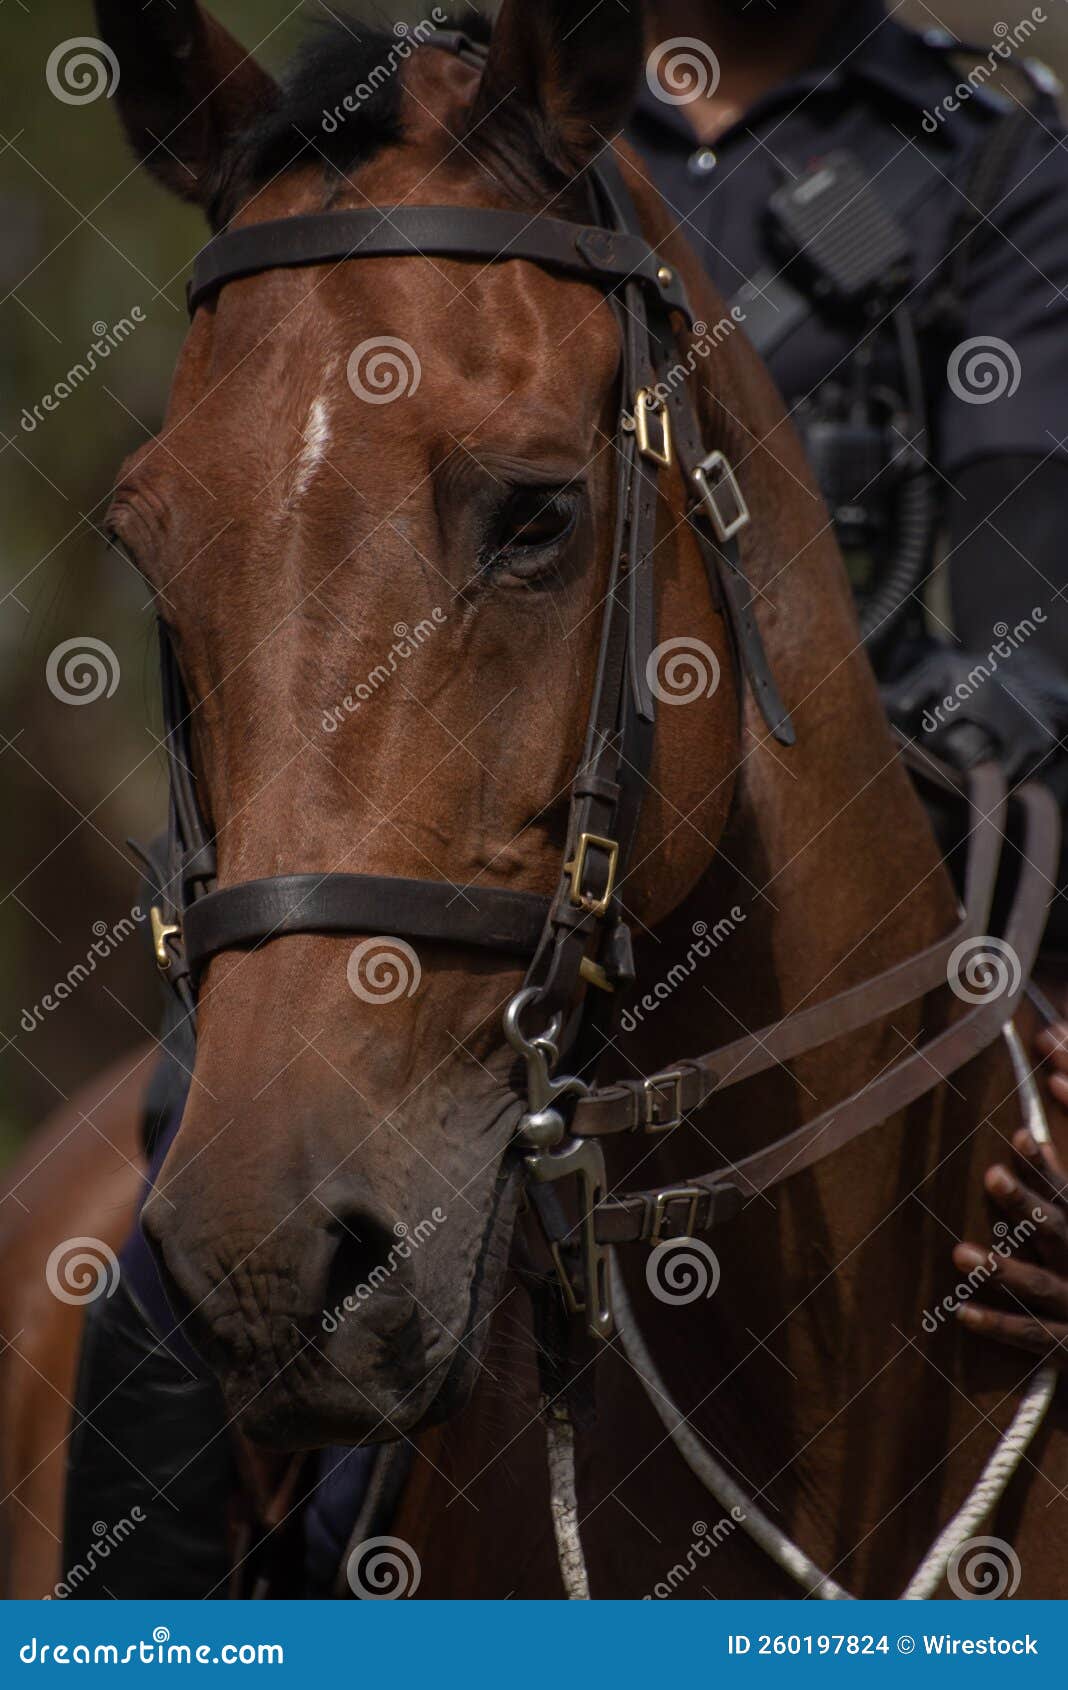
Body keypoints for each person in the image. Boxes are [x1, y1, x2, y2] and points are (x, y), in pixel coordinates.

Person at [633, 0, 1068, 1358]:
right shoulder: (463, 118)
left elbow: (1033, 651)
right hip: (501, 839)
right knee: (197, 1186)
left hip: (865, 835)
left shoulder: (995, 152)